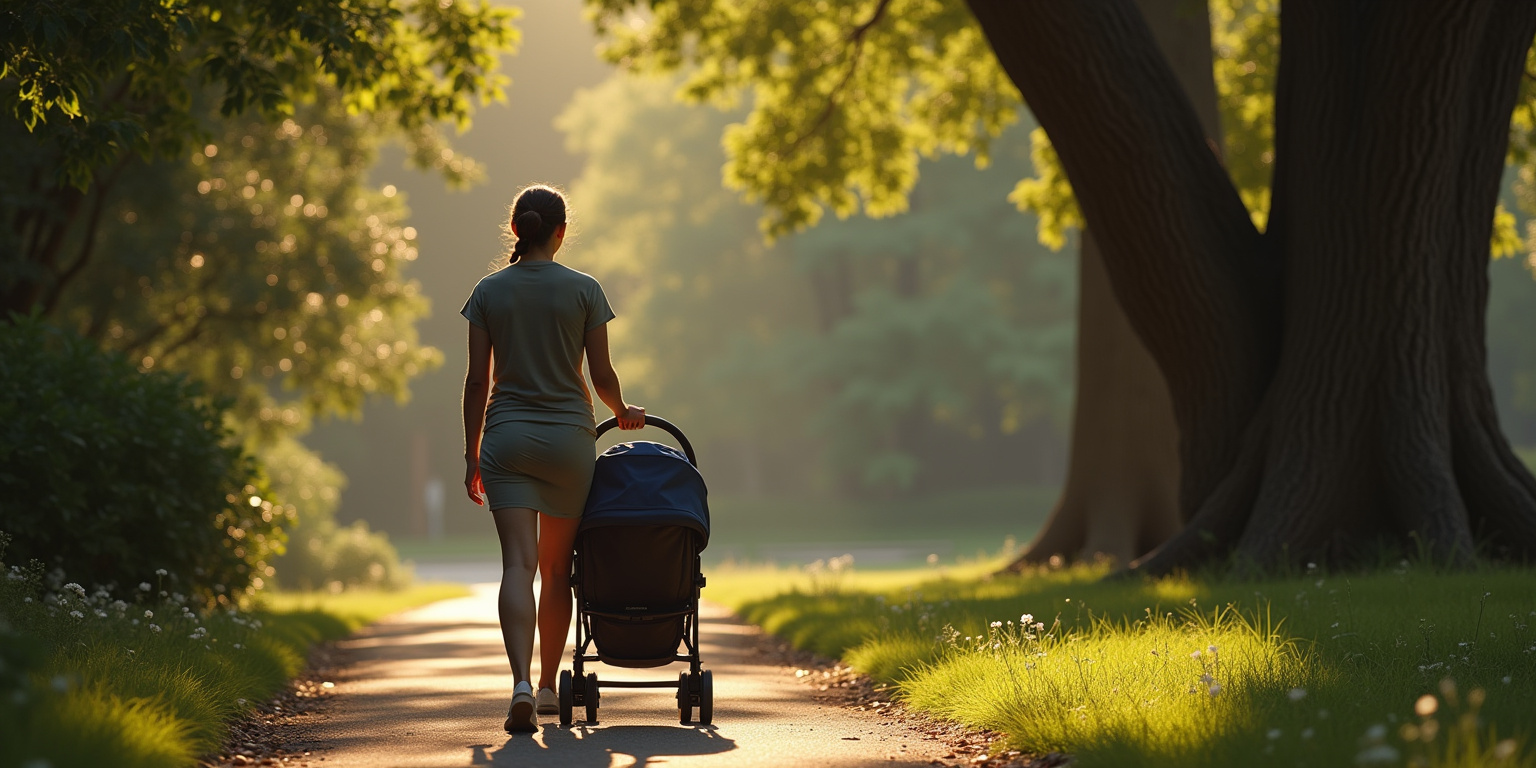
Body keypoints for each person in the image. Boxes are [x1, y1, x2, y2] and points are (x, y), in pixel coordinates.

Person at [460, 184, 645, 733]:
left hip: (507, 440)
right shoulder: (585, 290)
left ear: (516, 229)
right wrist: (623, 408)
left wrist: (471, 456)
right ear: (560, 232)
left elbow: (477, 382)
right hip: (569, 443)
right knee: (555, 569)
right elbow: (601, 375)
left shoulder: (488, 292)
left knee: (516, 564)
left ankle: (517, 682)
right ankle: (545, 688)